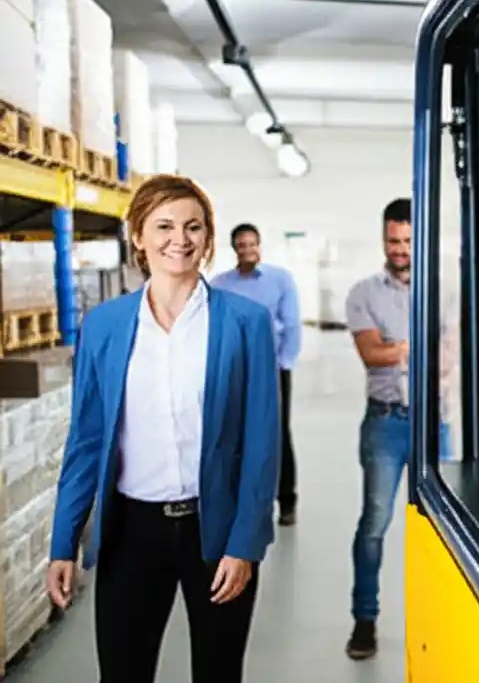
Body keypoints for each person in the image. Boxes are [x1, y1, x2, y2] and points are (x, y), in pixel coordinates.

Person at [45, 174, 281, 683]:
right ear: (138, 236)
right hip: (131, 532)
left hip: (213, 530)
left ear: (207, 237)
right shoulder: (105, 326)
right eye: (165, 226)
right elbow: (85, 442)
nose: (181, 239)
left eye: (194, 227)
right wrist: (63, 543)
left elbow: (263, 443)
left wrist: (244, 544)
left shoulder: (246, 322)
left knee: (218, 673)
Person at [343, 198, 412, 660]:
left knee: (445, 527)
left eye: (408, 240)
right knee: (375, 524)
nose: (401, 249)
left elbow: (451, 353)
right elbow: (373, 354)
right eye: (393, 240)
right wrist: (415, 345)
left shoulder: (443, 287)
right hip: (386, 421)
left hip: (436, 424)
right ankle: (364, 620)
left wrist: (398, 346)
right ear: (382, 239)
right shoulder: (363, 293)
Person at [211, 223, 303, 525]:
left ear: (259, 245)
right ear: (234, 248)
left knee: (276, 433)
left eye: (252, 244)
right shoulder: (221, 285)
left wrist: (284, 364)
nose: (248, 249)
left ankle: (286, 500)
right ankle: (242, 502)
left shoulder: (279, 280)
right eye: (241, 244)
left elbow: (291, 325)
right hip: (236, 370)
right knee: (235, 433)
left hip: (272, 369)